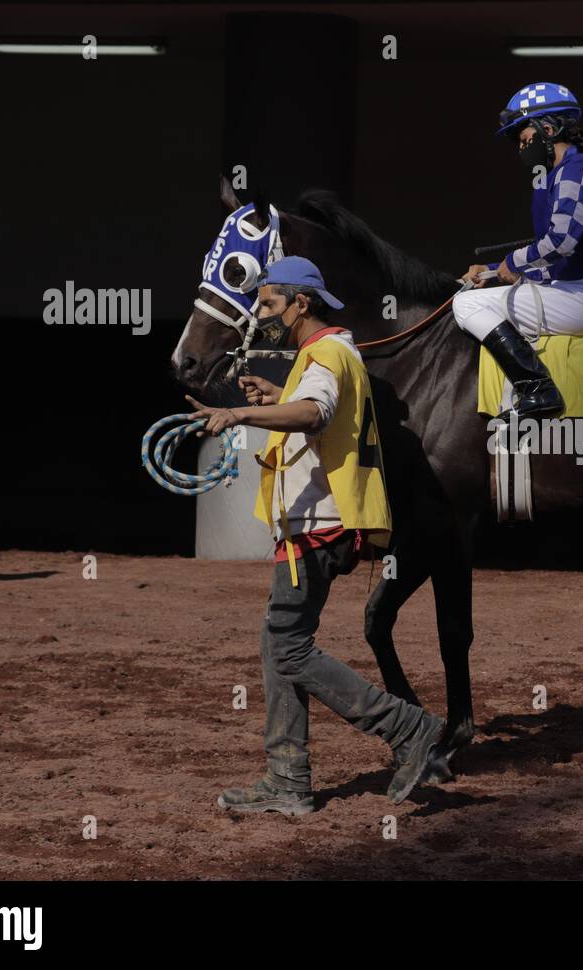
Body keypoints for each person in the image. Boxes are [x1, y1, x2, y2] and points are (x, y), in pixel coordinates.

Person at [185, 255, 444, 814]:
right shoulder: (325, 352)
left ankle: (408, 728)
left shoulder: (325, 351)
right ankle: (287, 779)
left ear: (301, 301)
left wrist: (240, 415)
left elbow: (316, 414)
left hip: (317, 526)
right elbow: (312, 405)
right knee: (278, 644)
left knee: (288, 645)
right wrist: (277, 395)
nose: (262, 312)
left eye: (270, 302)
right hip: (316, 524)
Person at [456, 82, 583, 418]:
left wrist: (511, 262)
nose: (521, 149)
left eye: (524, 140)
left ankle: (538, 390)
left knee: (465, 305)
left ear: (547, 130)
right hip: (573, 289)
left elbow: (559, 243)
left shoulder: (578, 170)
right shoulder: (559, 175)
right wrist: (494, 272)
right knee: (477, 296)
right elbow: (551, 260)